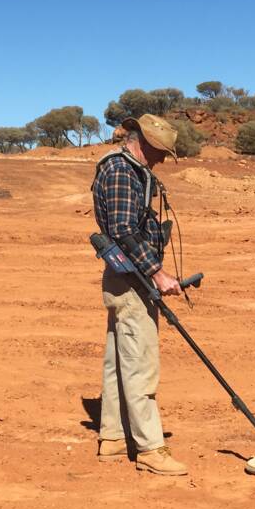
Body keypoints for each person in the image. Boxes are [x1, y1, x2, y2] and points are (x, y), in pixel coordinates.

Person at [91, 114, 187, 475]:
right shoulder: (121, 171)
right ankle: (150, 449)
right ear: (143, 142)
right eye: (160, 152)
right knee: (140, 363)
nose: (161, 159)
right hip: (132, 280)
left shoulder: (128, 169)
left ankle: (114, 437)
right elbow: (123, 231)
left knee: (119, 361)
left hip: (129, 277)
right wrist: (157, 273)